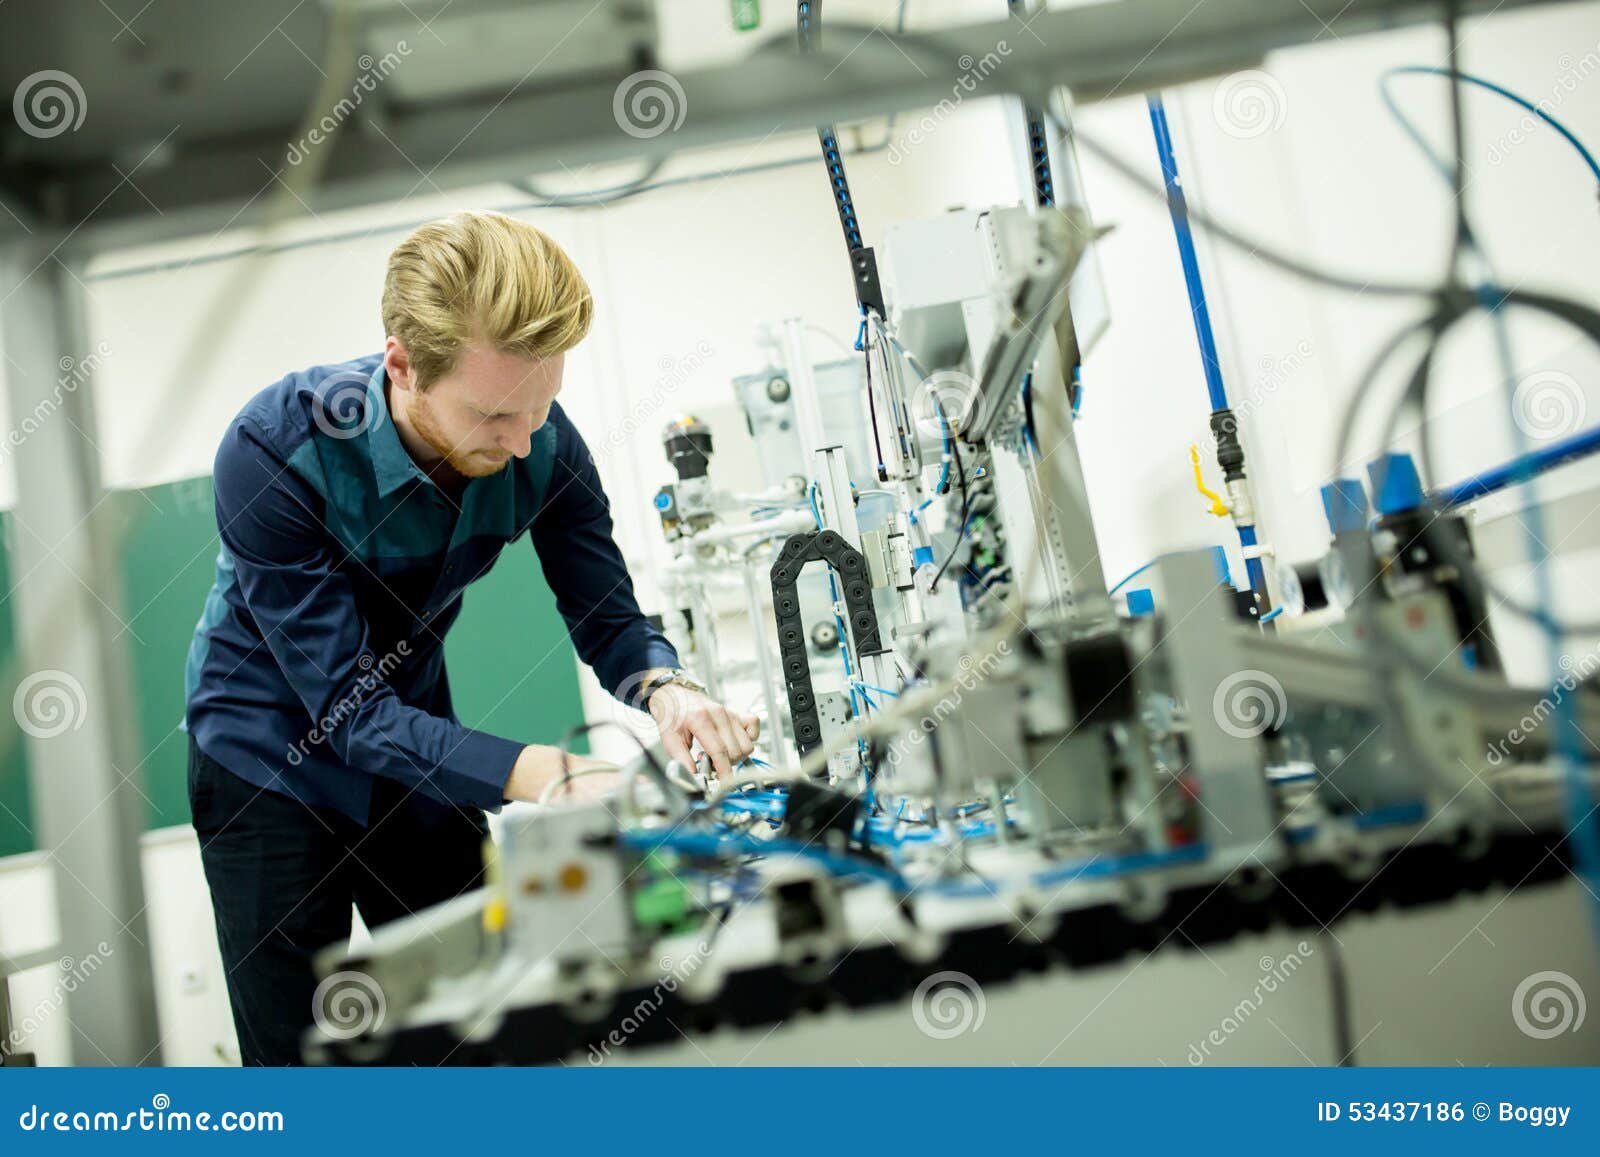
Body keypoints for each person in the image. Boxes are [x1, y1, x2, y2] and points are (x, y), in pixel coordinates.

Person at [183, 210, 756, 1065]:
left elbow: (607, 618)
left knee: (493, 1018)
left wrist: (667, 688)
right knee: (308, 1058)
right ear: (403, 364)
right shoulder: (275, 449)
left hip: (416, 746)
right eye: (494, 415)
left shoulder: (541, 444)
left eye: (542, 406)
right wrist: (548, 773)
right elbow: (345, 710)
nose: (524, 441)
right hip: (267, 760)